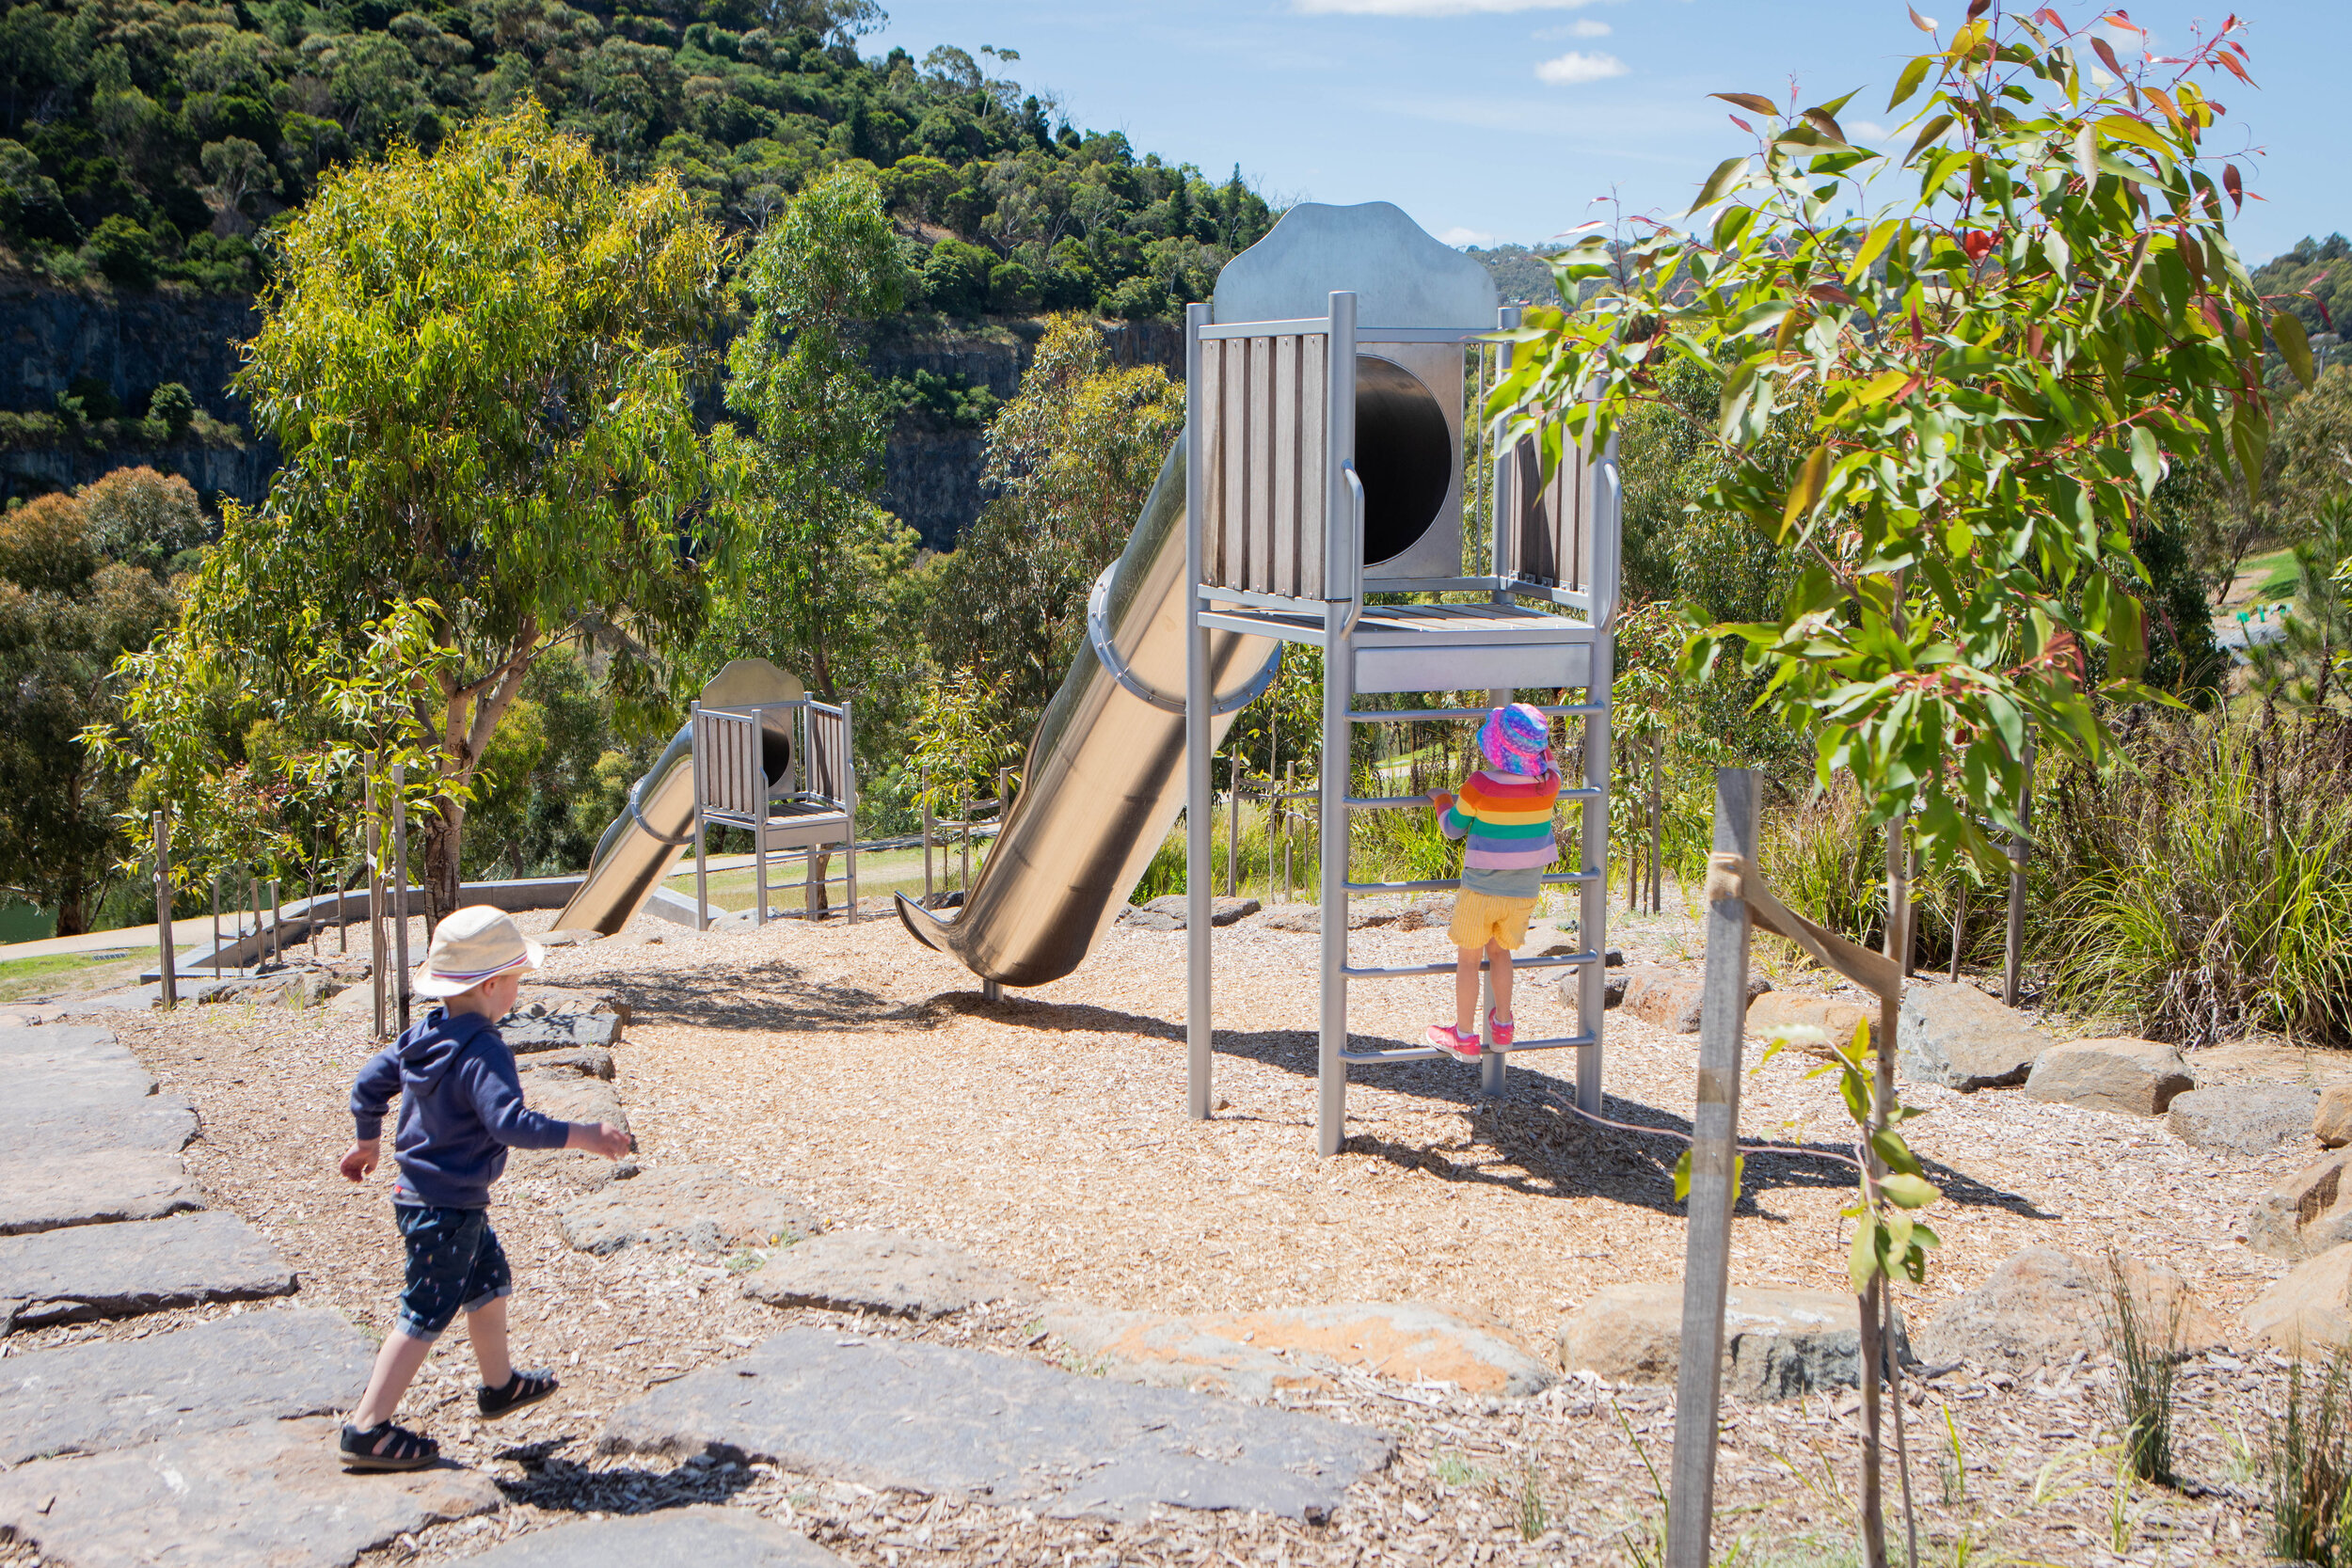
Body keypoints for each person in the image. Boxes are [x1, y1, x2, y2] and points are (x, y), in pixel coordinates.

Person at [336, 905, 631, 1471]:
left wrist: (368, 1141)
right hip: (446, 1205)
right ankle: (367, 1426)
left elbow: (369, 1081)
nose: (517, 992)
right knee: (424, 1310)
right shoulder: (485, 1048)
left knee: (488, 1281)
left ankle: (499, 1385)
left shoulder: (424, 1032)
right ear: (493, 985)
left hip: (426, 1197)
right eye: (516, 981)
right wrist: (583, 1135)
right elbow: (509, 1124)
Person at [1424, 702, 1561, 1063]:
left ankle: (1465, 1037)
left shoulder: (1480, 785)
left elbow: (1453, 829)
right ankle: (1503, 1026)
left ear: (1495, 748)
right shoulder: (1548, 783)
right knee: (1501, 954)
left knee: (1469, 961)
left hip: (1481, 889)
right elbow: (1549, 759)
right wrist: (1539, 744)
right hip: (1523, 893)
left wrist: (1441, 800)